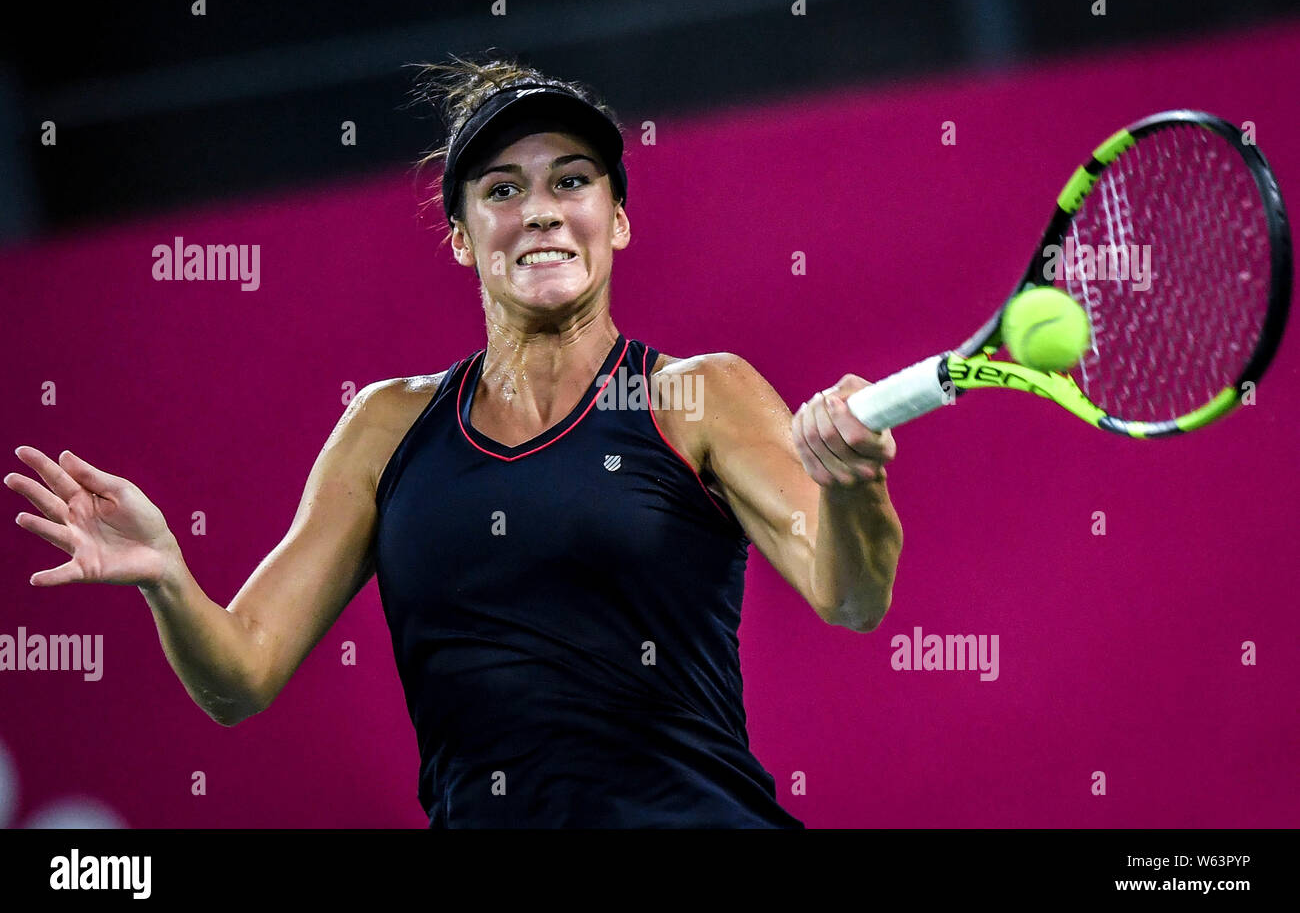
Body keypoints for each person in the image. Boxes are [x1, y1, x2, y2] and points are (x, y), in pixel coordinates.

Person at [5, 55, 903, 829]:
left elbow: (850, 595)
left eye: (572, 180)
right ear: (463, 239)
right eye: (503, 190)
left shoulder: (696, 394)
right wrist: (168, 576)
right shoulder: (387, 427)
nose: (542, 211)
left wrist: (854, 482)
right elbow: (239, 676)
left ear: (617, 221)